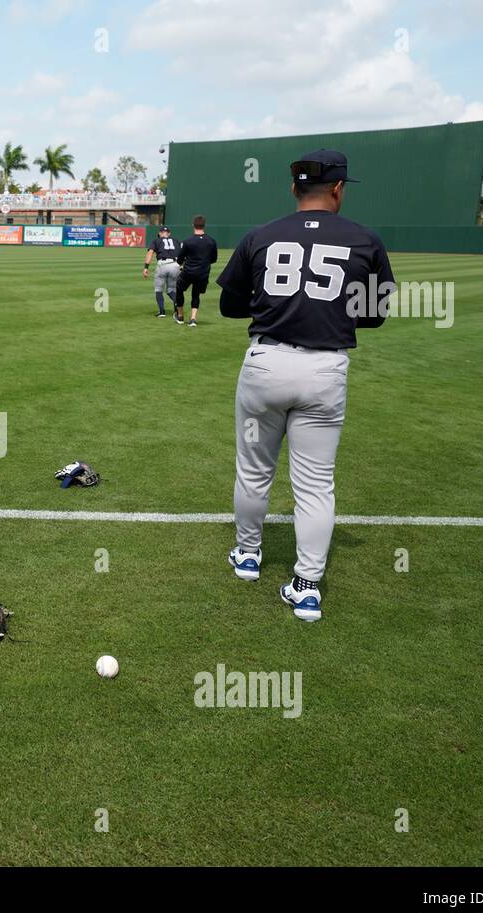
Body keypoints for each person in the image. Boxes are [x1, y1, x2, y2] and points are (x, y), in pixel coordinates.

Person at [215, 148, 394, 623]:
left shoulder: (261, 235)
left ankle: (248, 557)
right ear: (338, 189)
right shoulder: (365, 239)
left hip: (266, 364)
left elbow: (229, 307)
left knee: (254, 471)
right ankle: (307, 586)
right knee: (315, 485)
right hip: (324, 371)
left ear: (294, 188)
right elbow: (374, 316)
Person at [173, 215, 218, 326]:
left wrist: (182, 264)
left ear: (193, 225)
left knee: (179, 289)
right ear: (204, 226)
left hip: (188, 272)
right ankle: (193, 319)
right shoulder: (211, 241)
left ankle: (180, 315)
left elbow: (179, 260)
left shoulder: (188, 241)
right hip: (203, 273)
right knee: (196, 294)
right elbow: (214, 259)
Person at [141, 225, 180, 318]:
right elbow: (183, 253)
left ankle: (162, 312)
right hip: (175, 265)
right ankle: (178, 305)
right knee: (171, 290)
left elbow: (150, 253)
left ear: (159, 233)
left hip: (162, 264)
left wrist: (146, 267)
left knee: (158, 289)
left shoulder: (156, 240)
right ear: (169, 233)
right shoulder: (176, 241)